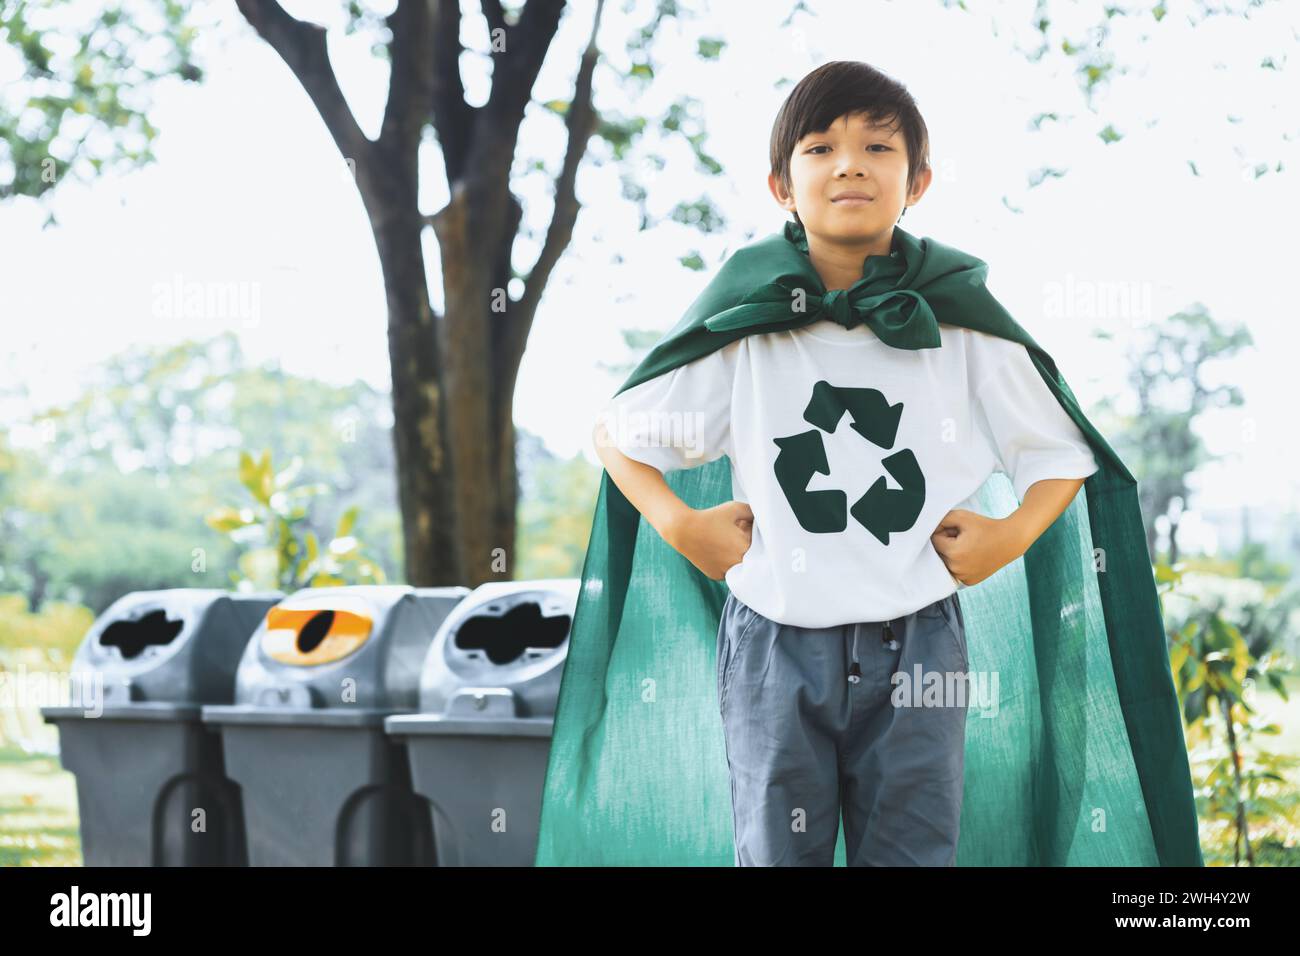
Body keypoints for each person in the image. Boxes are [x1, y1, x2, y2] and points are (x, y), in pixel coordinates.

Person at [534, 61, 1203, 868]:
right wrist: (679, 523)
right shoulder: (746, 328)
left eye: (876, 145)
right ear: (782, 184)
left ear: (917, 178)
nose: (849, 162)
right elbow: (619, 431)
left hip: (918, 642)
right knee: (779, 856)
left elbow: (1062, 452)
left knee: (914, 855)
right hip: (774, 644)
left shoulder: (963, 329)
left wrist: (1009, 537)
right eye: (819, 147)